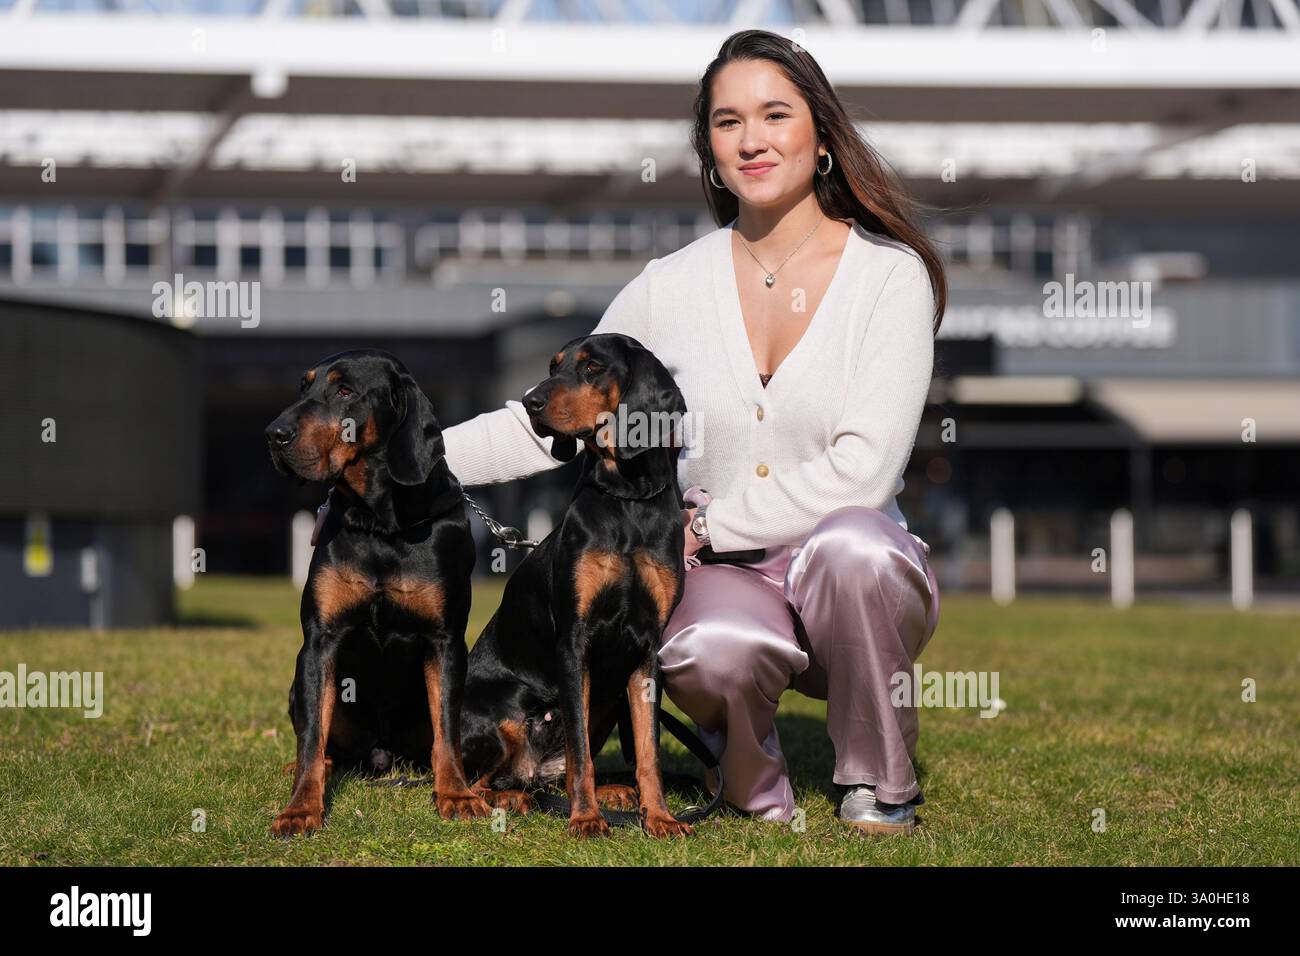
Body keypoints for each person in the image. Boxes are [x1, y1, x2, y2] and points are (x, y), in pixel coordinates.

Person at [443, 29, 948, 833]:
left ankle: (880, 781)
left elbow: (865, 474)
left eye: (775, 114)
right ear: (709, 153)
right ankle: (754, 784)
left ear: (820, 133)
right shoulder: (667, 289)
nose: (752, 139)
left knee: (855, 546)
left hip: (850, 580)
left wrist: (703, 523)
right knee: (708, 644)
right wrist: (414, 463)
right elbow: (550, 424)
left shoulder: (890, 278)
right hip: (720, 580)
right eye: (727, 122)